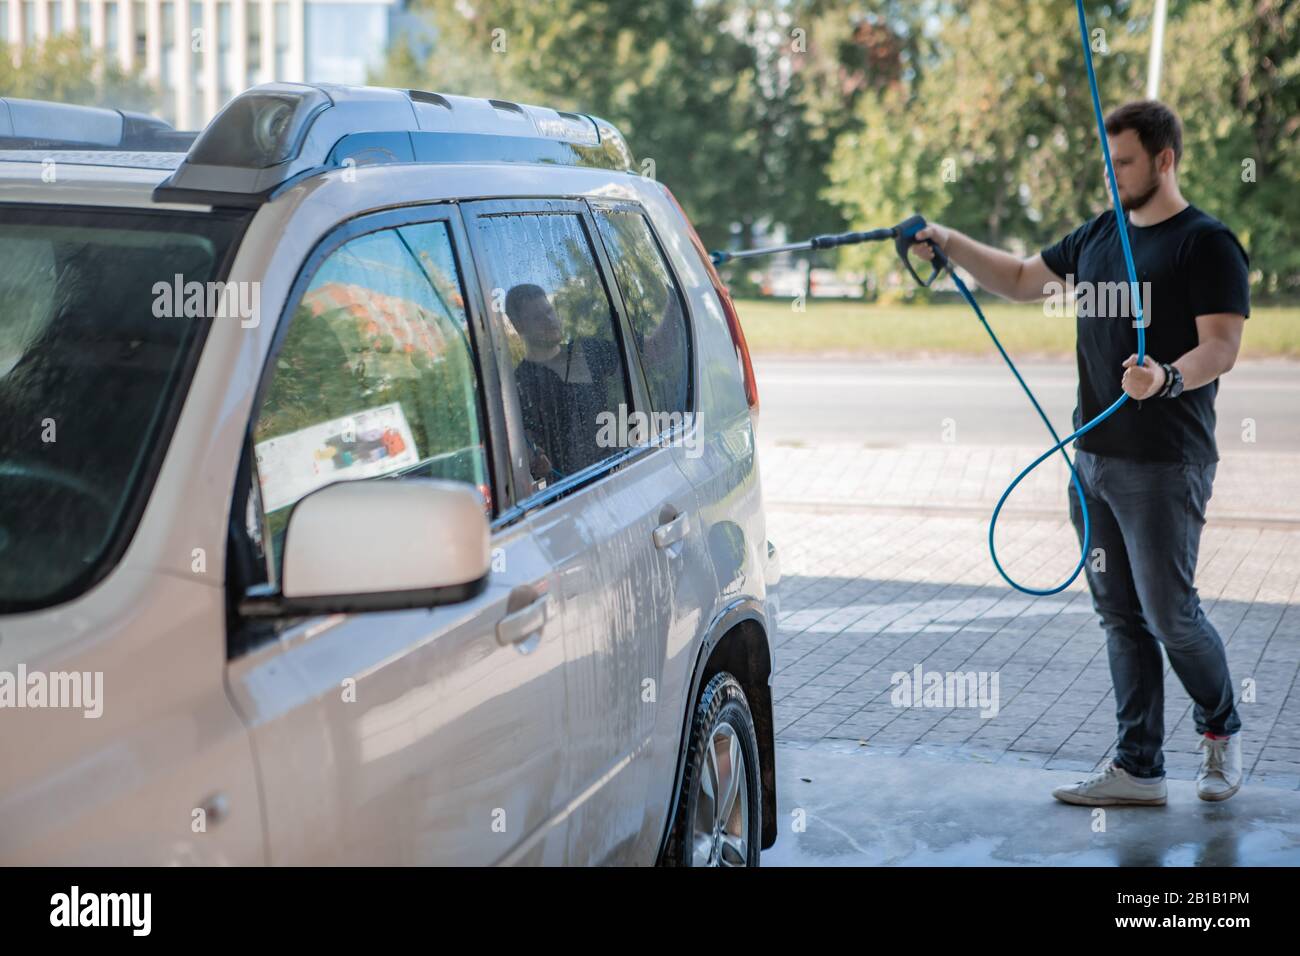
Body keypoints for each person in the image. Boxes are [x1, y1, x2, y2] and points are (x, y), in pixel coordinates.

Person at [914, 100, 1250, 806]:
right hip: (1091, 460)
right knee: (1121, 618)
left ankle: (1219, 733)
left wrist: (1166, 377)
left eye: (1124, 162)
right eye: (1108, 161)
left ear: (1164, 160)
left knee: (1170, 615)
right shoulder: (1098, 235)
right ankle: (1139, 769)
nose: (1112, 175)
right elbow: (1015, 278)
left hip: (1165, 465)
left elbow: (1221, 345)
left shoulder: (1206, 243)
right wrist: (950, 240)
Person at [504, 283, 622, 484]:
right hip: (569, 498)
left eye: (549, 311)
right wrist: (534, 463)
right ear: (518, 326)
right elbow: (521, 455)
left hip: (619, 477)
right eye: (537, 317)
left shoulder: (588, 351)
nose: (549, 320)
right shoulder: (518, 387)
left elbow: (655, 350)